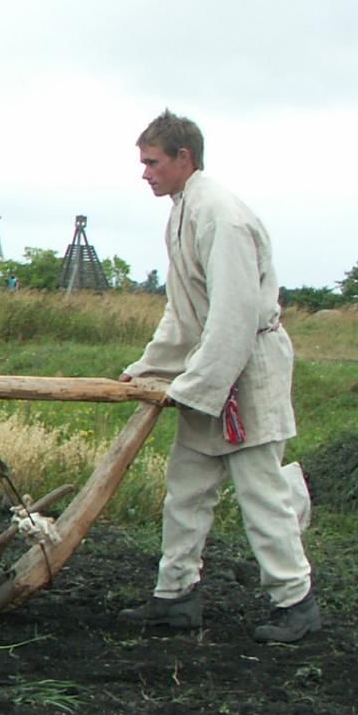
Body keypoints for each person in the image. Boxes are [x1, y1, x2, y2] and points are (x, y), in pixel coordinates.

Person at [119, 110, 319, 643]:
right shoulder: (183, 212)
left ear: (185, 158)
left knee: (262, 492)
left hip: (247, 373)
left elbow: (233, 316)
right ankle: (175, 597)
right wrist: (148, 370)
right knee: (185, 490)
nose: (145, 174)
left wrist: (194, 389)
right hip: (213, 369)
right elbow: (183, 310)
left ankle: (295, 600)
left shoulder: (222, 217)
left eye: (152, 162)